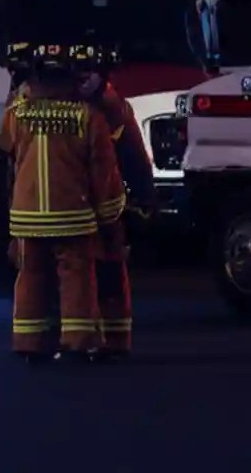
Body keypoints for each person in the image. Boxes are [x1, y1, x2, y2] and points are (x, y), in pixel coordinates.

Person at [0, 43, 125, 364]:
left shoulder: (20, 113)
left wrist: (17, 95)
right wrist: (111, 218)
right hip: (72, 215)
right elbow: (102, 174)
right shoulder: (88, 117)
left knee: (31, 275)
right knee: (76, 275)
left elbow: (4, 144)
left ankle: (29, 342)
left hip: (27, 216)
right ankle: (77, 342)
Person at [72, 43, 155, 360]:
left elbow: (132, 153)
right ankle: (99, 337)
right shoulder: (99, 103)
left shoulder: (108, 106)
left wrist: (143, 196)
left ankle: (101, 339)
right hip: (88, 200)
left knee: (102, 269)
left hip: (97, 201)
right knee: (90, 271)